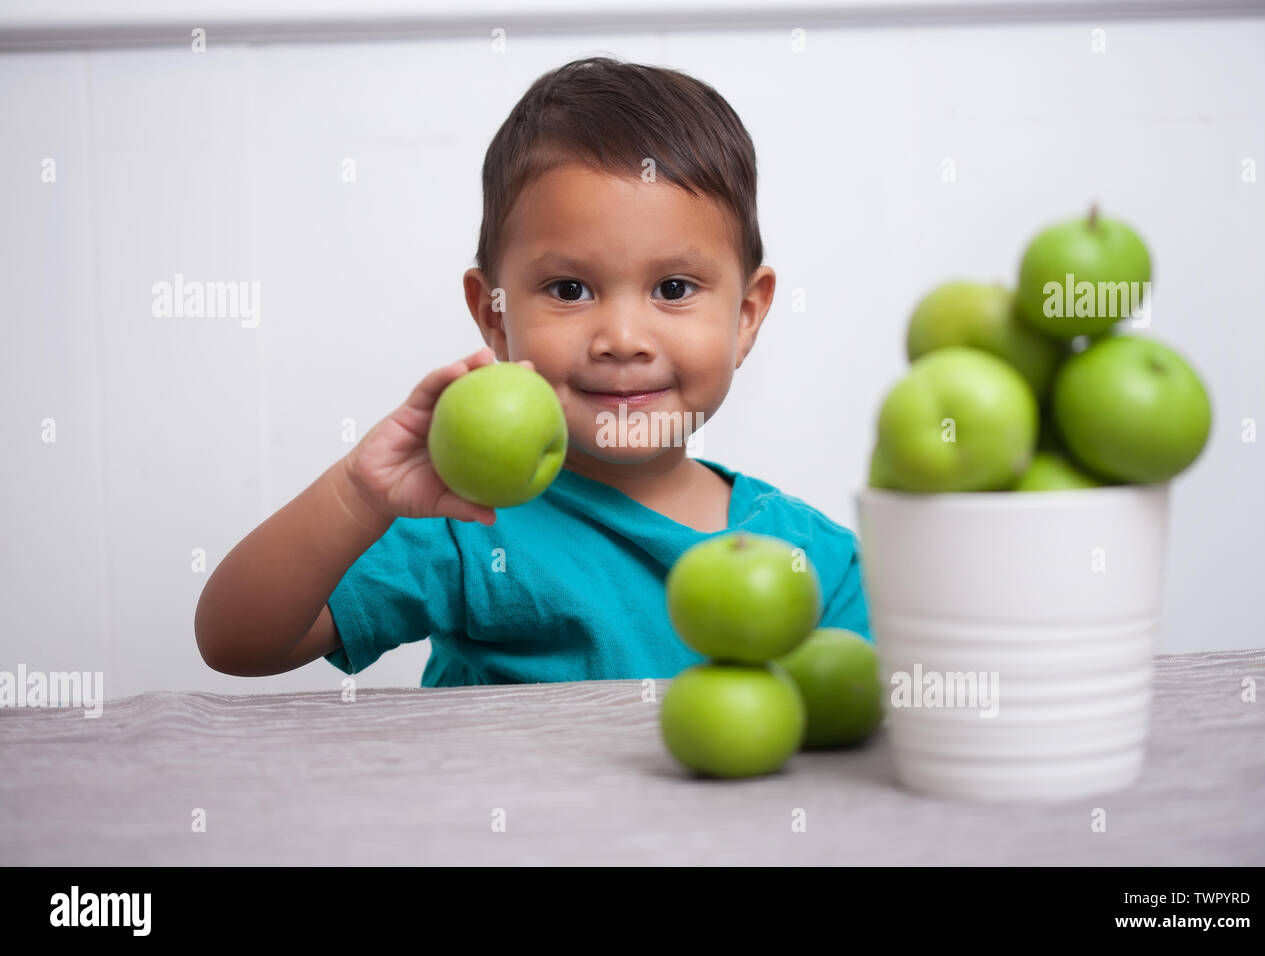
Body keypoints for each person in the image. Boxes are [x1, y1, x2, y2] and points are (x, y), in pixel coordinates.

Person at [195, 56, 872, 687]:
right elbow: (237, 642)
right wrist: (356, 496)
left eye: (672, 288)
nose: (623, 339)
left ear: (747, 316)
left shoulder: (814, 560)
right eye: (570, 290)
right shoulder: (464, 523)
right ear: (493, 315)